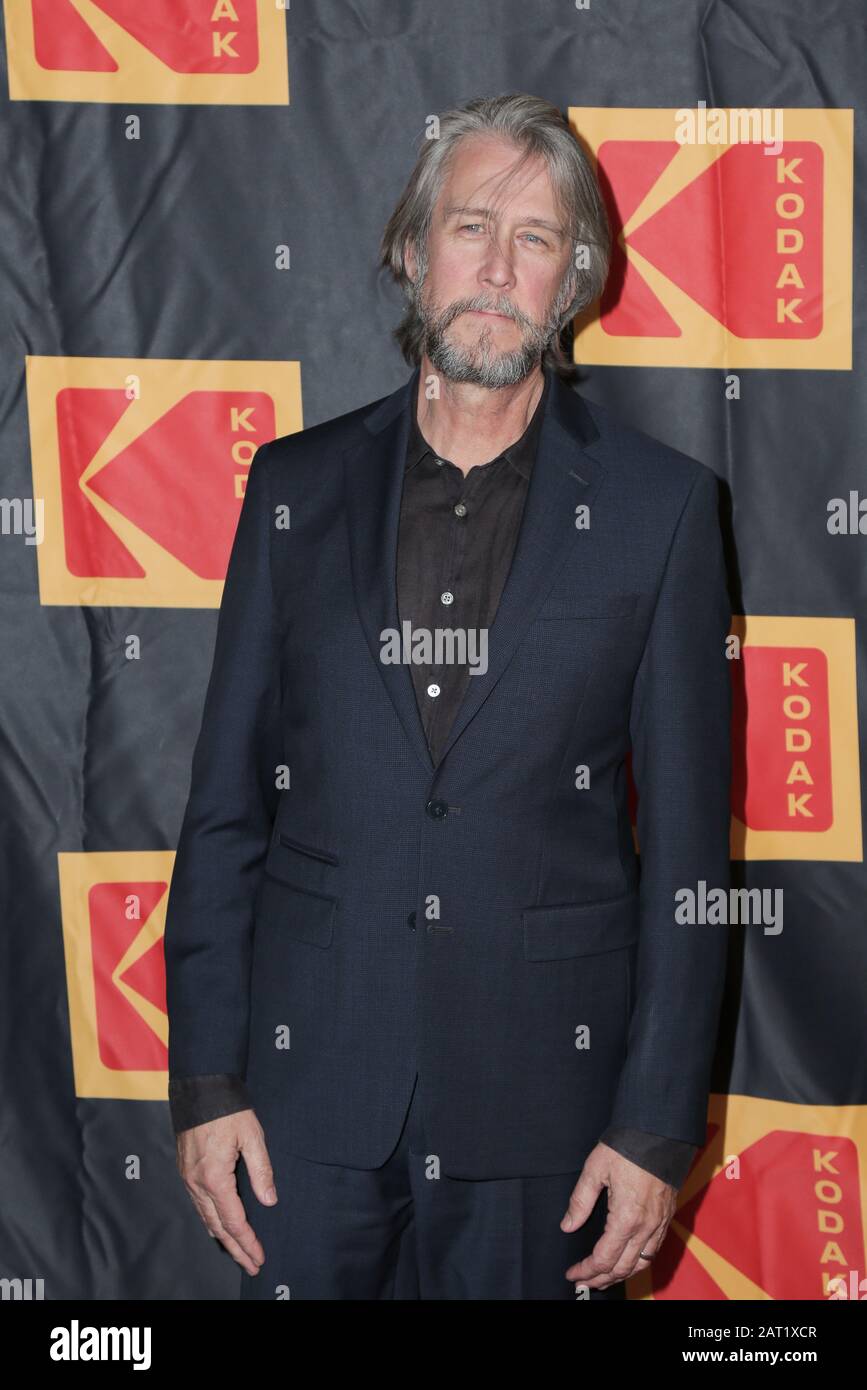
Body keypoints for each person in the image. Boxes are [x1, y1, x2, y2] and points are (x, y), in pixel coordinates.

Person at [164, 92, 732, 1300]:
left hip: (547, 1121)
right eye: (471, 225)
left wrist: (654, 1129)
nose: (497, 265)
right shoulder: (293, 488)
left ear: (572, 281)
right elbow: (224, 808)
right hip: (305, 1104)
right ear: (412, 252)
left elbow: (690, 857)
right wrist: (207, 1080)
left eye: (536, 239)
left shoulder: (663, 511)